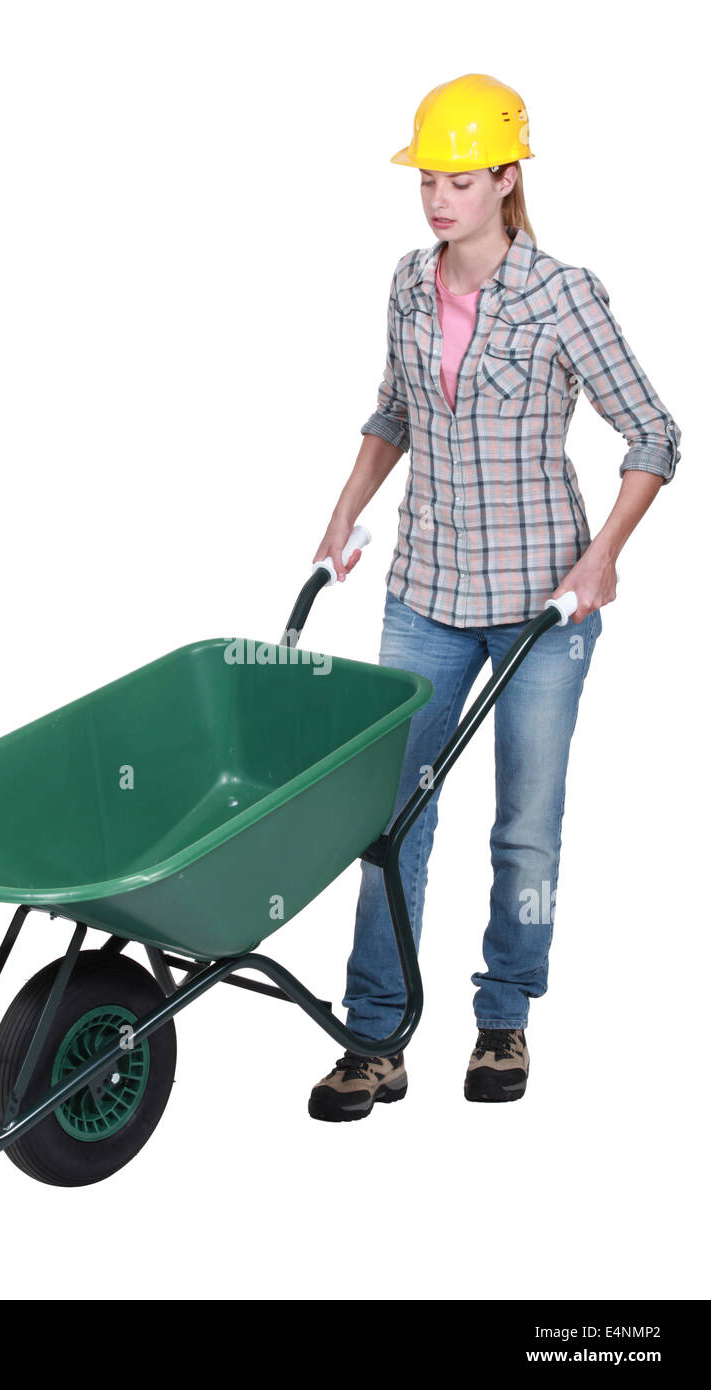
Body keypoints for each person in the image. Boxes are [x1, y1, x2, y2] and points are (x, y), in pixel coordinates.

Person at [307, 72, 682, 1121]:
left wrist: (600, 556)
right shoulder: (404, 282)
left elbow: (651, 434)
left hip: (539, 612)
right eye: (427, 177)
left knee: (523, 824)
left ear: (507, 177)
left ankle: (504, 1010)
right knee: (387, 815)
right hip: (422, 590)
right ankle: (373, 1035)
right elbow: (390, 411)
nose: (436, 198)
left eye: (459, 179)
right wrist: (343, 513)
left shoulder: (563, 292)